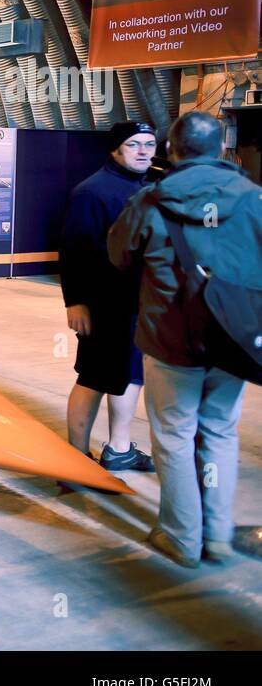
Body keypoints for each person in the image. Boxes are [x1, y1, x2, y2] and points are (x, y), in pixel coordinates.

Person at [109, 112, 262, 567]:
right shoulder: (254, 198)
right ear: (222, 149)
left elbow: (118, 254)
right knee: (219, 432)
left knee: (174, 435)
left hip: (169, 339)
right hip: (233, 339)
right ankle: (215, 537)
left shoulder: (149, 201)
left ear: (171, 151)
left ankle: (181, 537)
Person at [60, 121, 158, 474]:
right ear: (115, 149)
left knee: (130, 374)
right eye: (134, 145)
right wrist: (75, 301)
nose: (144, 150)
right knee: (94, 377)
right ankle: (75, 456)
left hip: (137, 306)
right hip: (103, 306)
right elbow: (74, 251)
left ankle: (119, 448)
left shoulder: (147, 189)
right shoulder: (93, 191)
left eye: (149, 143)